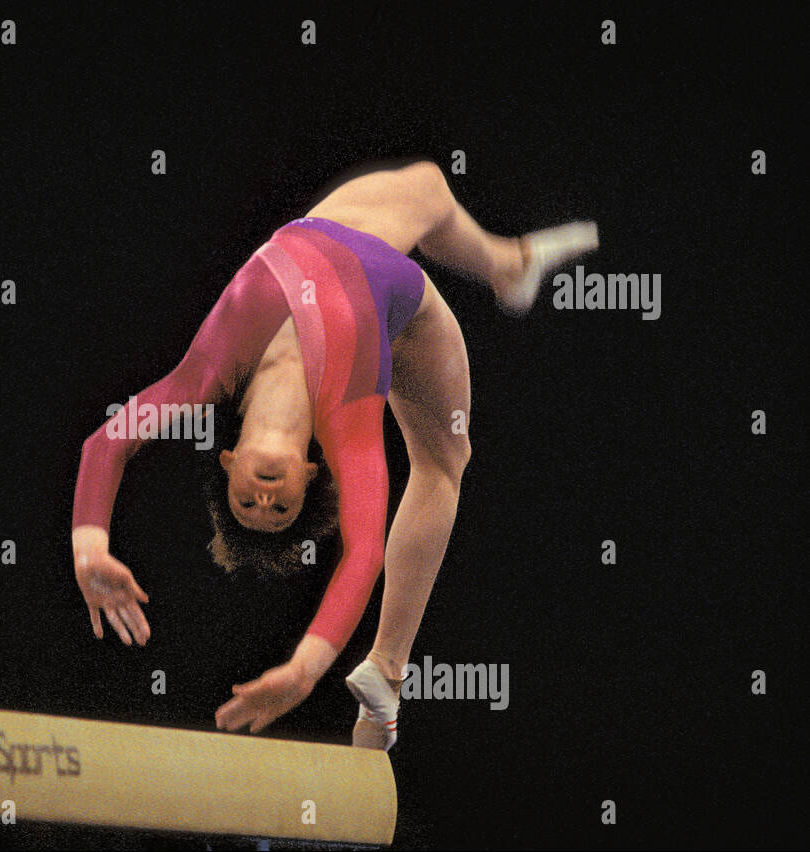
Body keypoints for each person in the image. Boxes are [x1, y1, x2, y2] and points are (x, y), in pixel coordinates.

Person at [71, 159, 597, 749]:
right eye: (280, 509)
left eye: (249, 502)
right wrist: (305, 668)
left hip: (344, 240)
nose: (267, 498)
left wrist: (89, 547)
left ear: (228, 462)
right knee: (444, 464)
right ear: (310, 474)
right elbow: (363, 550)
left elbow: (107, 442)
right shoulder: (347, 416)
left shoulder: (208, 374)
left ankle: (509, 265)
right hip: (409, 313)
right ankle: (387, 671)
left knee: (428, 183)